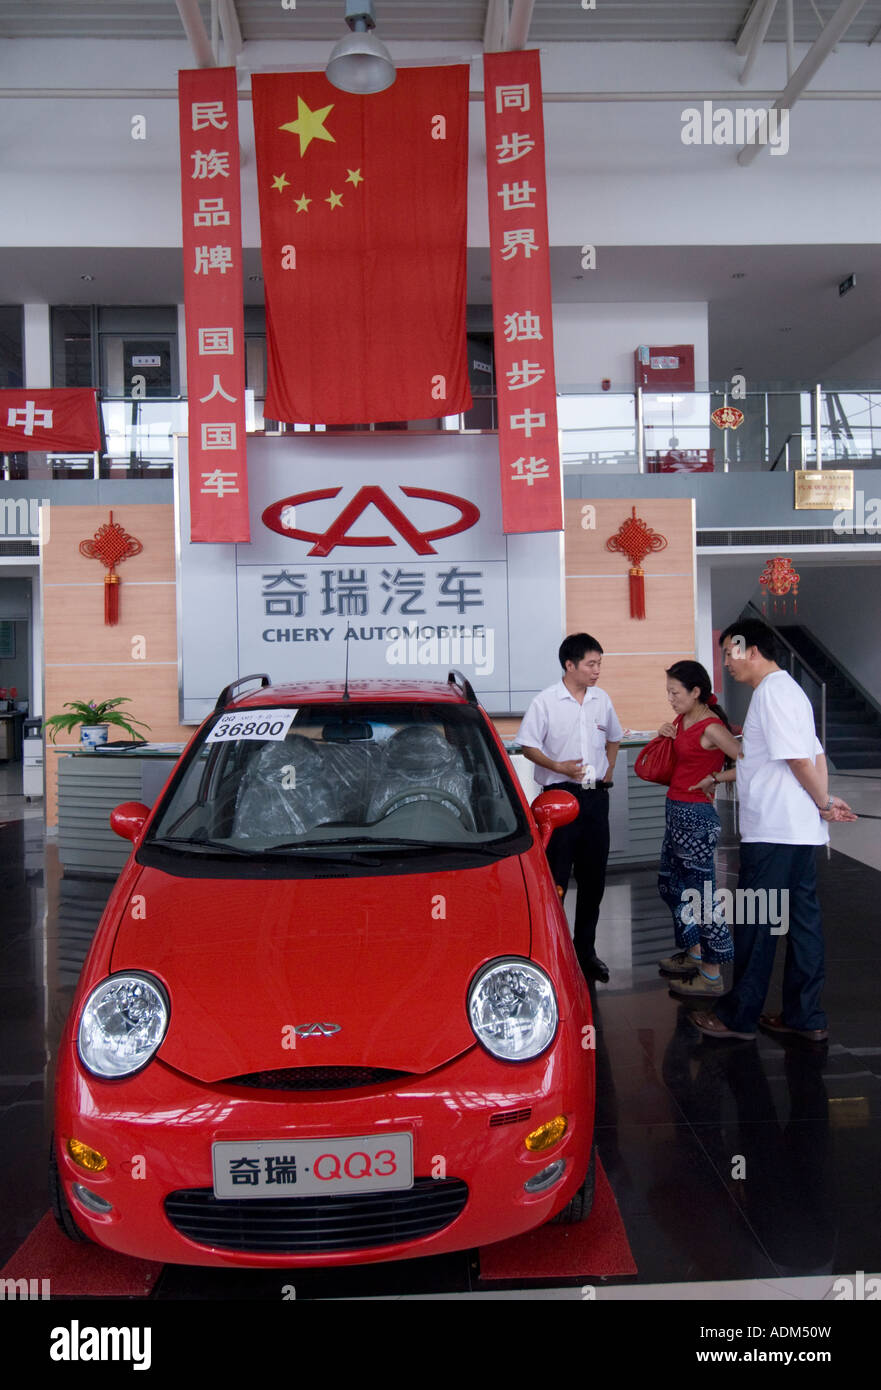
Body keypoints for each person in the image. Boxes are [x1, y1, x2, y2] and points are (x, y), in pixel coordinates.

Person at [690, 618, 856, 1043]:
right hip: (796, 829)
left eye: (730, 652)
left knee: (757, 923)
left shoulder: (772, 693)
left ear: (754, 650)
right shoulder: (791, 692)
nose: (726, 661)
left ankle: (738, 1016)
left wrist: (822, 802)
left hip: (775, 831)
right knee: (802, 923)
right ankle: (806, 1016)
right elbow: (814, 755)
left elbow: (800, 761)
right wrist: (823, 801)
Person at [518, 633, 623, 982]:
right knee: (557, 878)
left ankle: (586, 952)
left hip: (594, 796)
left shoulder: (601, 699)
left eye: (599, 664)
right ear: (570, 665)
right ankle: (555, 952)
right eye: (591, 664)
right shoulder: (546, 702)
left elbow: (614, 736)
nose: (597, 671)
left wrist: (608, 769)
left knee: (594, 879)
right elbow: (527, 746)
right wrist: (559, 767)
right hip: (558, 796)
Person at [655, 660, 743, 997]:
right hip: (676, 811)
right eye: (669, 692)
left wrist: (717, 777)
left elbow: (745, 758)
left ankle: (711, 973)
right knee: (669, 885)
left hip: (696, 818)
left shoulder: (710, 726)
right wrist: (665, 732)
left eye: (675, 693)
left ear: (695, 692)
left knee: (702, 896)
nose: (671, 698)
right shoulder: (684, 718)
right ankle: (694, 951)